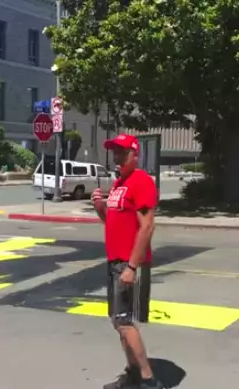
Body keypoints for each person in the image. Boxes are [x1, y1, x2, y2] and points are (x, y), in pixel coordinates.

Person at [92, 134, 164, 389]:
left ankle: (148, 380)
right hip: (115, 262)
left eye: (123, 153)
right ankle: (133, 373)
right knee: (118, 321)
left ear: (135, 154)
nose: (118, 158)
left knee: (124, 321)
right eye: (115, 153)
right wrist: (100, 206)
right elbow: (112, 222)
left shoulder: (141, 182)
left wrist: (132, 267)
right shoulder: (118, 183)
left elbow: (147, 227)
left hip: (129, 263)